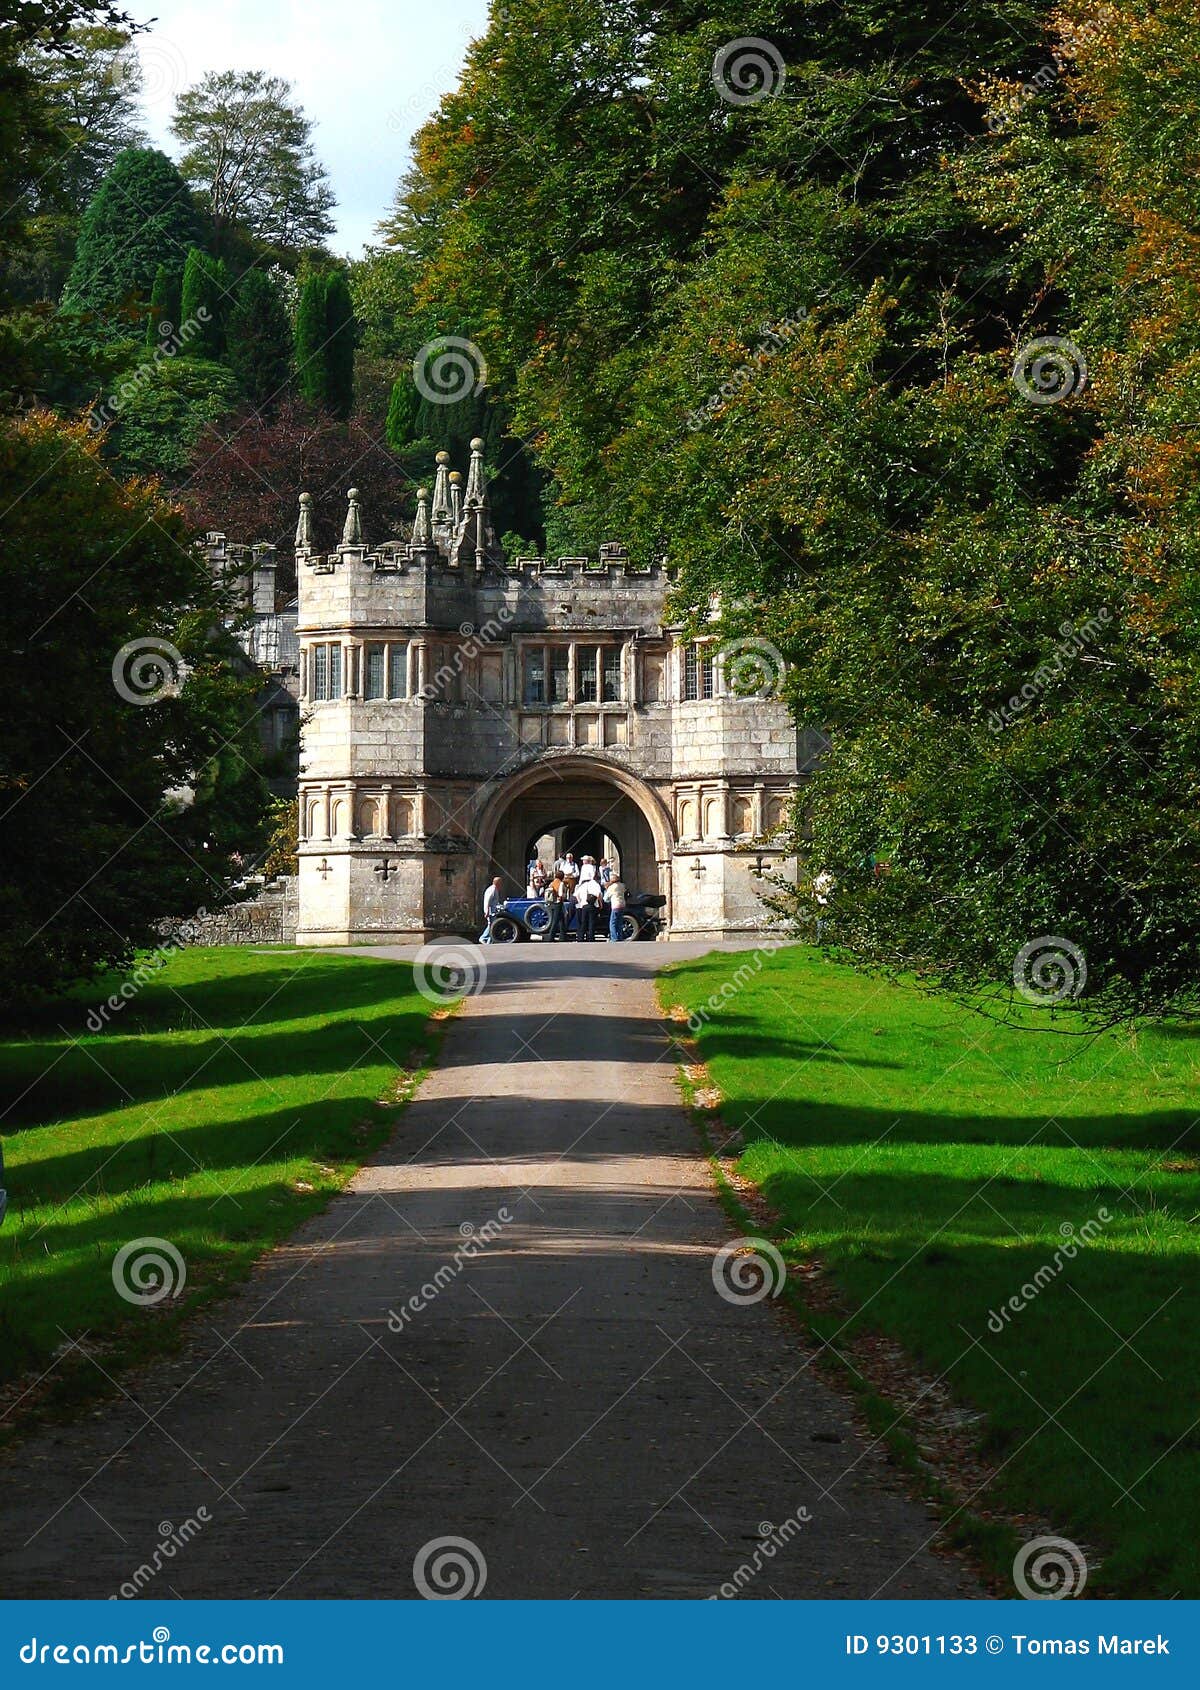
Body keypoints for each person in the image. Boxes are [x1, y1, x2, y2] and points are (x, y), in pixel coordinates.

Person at [575, 875, 601, 942]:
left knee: (583, 922)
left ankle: (581, 938)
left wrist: (580, 902)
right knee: (591, 922)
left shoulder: (583, 885)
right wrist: (600, 904)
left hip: (584, 905)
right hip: (593, 905)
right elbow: (599, 894)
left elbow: (576, 895)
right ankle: (591, 938)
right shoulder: (596, 885)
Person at [480, 876, 504, 943]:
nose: (501, 884)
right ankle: (483, 938)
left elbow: (495, 901)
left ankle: (489, 940)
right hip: (490, 911)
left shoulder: (495, 889)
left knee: (492, 925)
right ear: (497, 883)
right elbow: (488, 901)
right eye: (500, 882)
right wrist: (487, 911)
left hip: (493, 911)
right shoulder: (492, 890)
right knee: (491, 925)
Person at [604, 875, 628, 942]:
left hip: (615, 905)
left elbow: (605, 899)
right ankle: (620, 937)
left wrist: (606, 889)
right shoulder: (622, 885)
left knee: (612, 923)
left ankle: (614, 938)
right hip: (622, 904)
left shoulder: (611, 887)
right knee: (619, 922)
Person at [542, 874, 565, 942]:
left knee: (561, 920)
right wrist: (563, 898)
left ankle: (563, 936)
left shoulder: (552, 883)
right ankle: (551, 937)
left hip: (551, 903)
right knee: (555, 921)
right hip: (558, 903)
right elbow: (560, 894)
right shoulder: (561, 883)